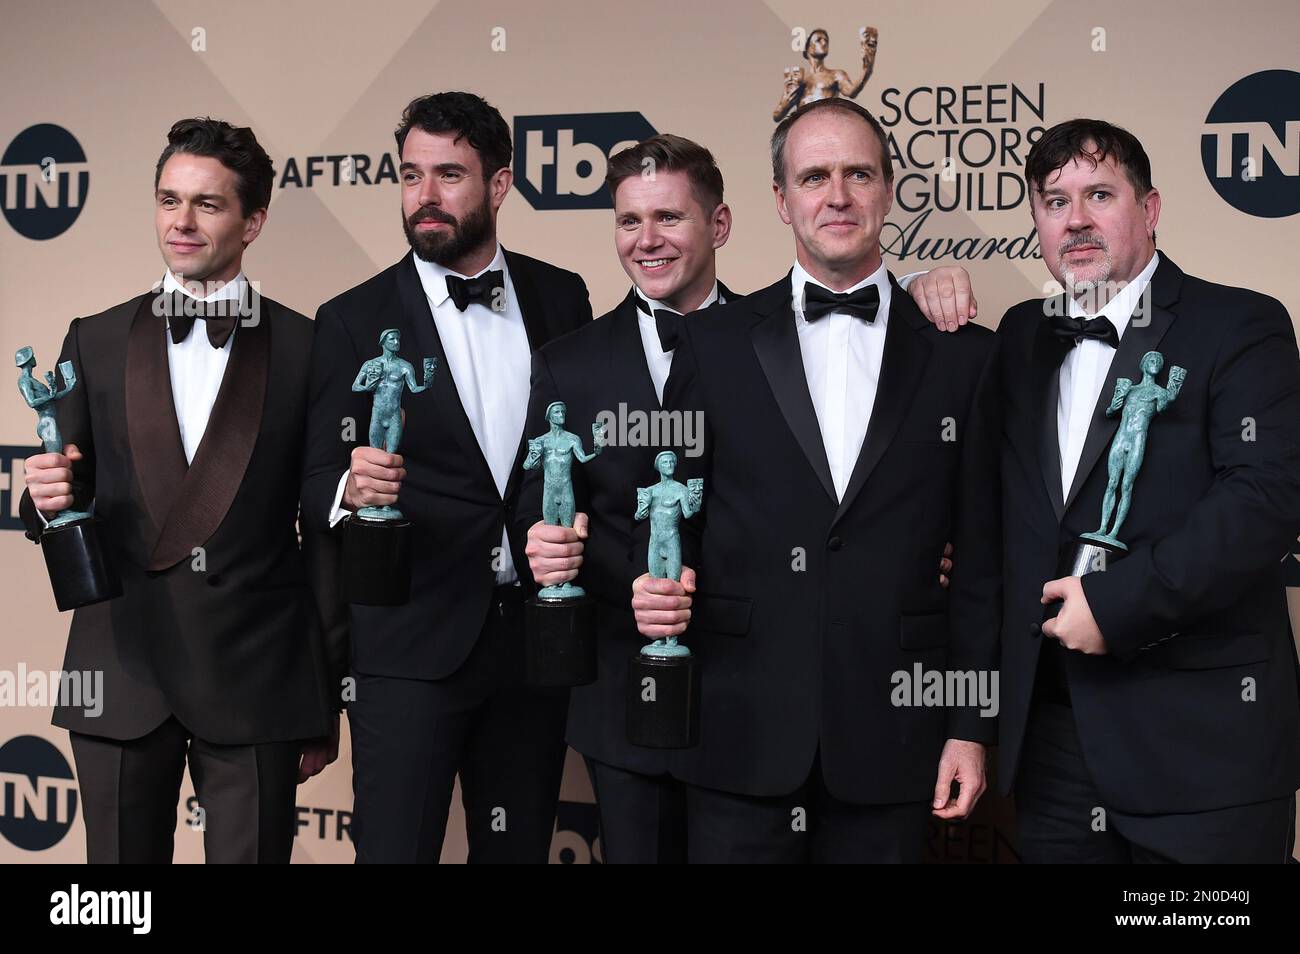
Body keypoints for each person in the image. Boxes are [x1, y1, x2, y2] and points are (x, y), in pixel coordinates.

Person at [518, 132, 975, 863]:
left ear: (721, 225)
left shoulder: (760, 334)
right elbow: (608, 508)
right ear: (783, 199)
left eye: (668, 218)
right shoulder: (578, 359)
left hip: (842, 719)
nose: (647, 240)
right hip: (649, 698)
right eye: (629, 221)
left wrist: (920, 283)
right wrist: (560, 554)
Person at [630, 100, 995, 862]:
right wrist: (653, 575)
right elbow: (668, 501)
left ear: (889, 190)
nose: (837, 196)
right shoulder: (710, 342)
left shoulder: (963, 355)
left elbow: (985, 562)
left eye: (858, 173)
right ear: (780, 199)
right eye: (814, 176)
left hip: (897, 737)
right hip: (738, 732)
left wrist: (967, 725)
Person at [943, 117, 1300, 862]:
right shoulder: (1017, 338)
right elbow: (985, 548)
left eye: (1099, 194)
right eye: (1053, 200)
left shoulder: (1240, 324)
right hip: (1053, 752)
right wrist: (972, 722)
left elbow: (1264, 502)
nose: (1074, 219)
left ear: (1152, 209)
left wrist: (1115, 603)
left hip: (1206, 752)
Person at [19, 117, 343, 863]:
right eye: (169, 200)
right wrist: (43, 499)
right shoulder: (93, 339)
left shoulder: (306, 348)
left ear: (252, 220)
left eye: (208, 204)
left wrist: (325, 694)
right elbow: (61, 500)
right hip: (122, 671)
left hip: (259, 679)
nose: (182, 223)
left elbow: (325, 536)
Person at [301, 91, 593, 863]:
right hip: (408, 645)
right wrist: (348, 491)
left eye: (449, 175)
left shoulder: (563, 297)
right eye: (411, 175)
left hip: (533, 643)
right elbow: (313, 481)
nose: (425, 197)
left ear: (499, 185)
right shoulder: (351, 319)